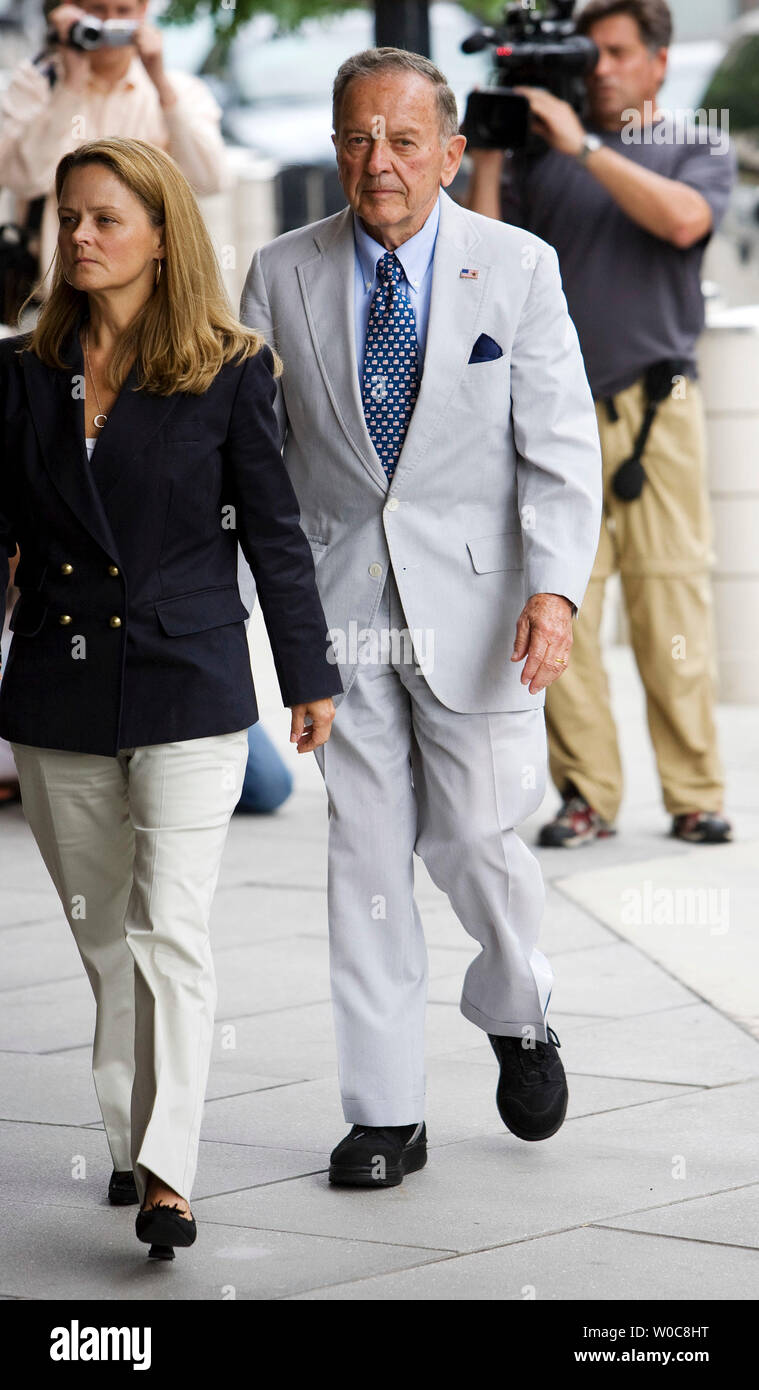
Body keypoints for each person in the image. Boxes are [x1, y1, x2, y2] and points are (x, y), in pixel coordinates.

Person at [241, 47, 602, 1188]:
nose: (378, 162)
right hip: (340, 607)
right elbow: (260, 463)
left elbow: (557, 444)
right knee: (365, 857)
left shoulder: (520, 266)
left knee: (480, 845)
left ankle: (517, 1004)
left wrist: (554, 587)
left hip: (481, 605)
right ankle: (385, 1113)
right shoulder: (278, 272)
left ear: (451, 151)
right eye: (356, 137)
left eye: (403, 140)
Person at [0, 136, 341, 1256]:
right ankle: (130, 1135)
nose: (82, 237)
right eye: (70, 220)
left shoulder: (231, 366)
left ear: (162, 234)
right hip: (58, 693)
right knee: (108, 944)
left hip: (190, 684)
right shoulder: (21, 372)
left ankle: (168, 1173)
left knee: (171, 931)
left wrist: (307, 674)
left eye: (106, 219)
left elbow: (276, 536)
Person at [466, 0, 735, 848]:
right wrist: (489, 151)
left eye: (617, 53)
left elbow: (685, 220)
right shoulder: (538, 151)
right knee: (558, 601)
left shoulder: (694, 144)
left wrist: (583, 146)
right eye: (592, 54)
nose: (601, 69)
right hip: (552, 419)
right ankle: (586, 795)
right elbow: (482, 257)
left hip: (656, 411)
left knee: (671, 607)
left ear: (659, 62)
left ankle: (693, 794)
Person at [0, 0, 228, 300]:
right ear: (72, 10)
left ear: (143, 12)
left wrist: (159, 80)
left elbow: (210, 180)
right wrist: (70, 85)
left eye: (122, 12)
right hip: (58, 293)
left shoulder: (177, 91)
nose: (109, 23)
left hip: (154, 295)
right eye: (97, 10)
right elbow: (22, 179)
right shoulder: (36, 85)